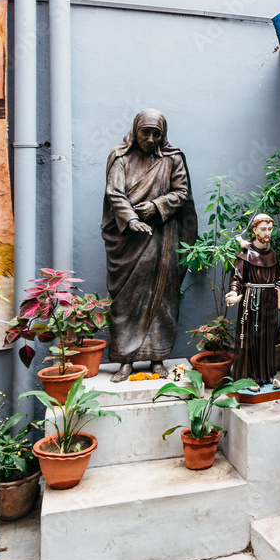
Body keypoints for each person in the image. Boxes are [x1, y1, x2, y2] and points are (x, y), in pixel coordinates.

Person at [102, 109, 197, 382]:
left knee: (163, 298)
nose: (151, 138)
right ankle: (125, 360)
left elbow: (182, 193)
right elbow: (114, 193)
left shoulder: (173, 158)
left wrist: (156, 207)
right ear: (136, 130)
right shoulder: (120, 157)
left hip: (164, 236)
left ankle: (158, 358)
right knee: (126, 302)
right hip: (129, 241)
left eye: (157, 133)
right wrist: (131, 219)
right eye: (146, 132)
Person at [226, 214, 280, 392]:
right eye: (263, 229)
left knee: (267, 340)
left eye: (270, 229)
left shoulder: (272, 254)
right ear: (254, 230)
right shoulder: (246, 254)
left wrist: (279, 293)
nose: (267, 233)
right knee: (250, 340)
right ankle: (248, 377)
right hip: (251, 303)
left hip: (268, 303)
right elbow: (237, 277)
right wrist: (234, 292)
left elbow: (279, 278)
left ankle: (266, 376)